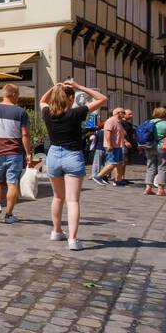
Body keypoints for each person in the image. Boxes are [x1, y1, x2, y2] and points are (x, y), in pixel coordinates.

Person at [40, 80, 107, 251]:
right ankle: (73, 239)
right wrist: (79, 87)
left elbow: (42, 100)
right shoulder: (76, 113)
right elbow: (102, 98)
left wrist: (55, 87)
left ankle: (56, 231)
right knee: (72, 200)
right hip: (72, 155)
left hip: (53, 155)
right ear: (70, 98)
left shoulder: (48, 113)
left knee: (57, 197)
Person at [0, 82, 32, 223]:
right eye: (18, 94)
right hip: (15, 152)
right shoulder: (21, 112)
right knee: (12, 182)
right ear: (14, 94)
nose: (19, 97)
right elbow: (25, 135)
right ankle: (9, 215)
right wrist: (28, 153)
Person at [92, 107, 129, 186]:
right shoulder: (111, 121)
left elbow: (123, 133)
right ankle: (98, 176)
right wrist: (109, 144)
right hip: (113, 146)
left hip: (119, 145)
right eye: (123, 112)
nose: (124, 114)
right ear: (118, 113)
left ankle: (118, 181)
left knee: (119, 163)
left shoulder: (118, 122)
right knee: (113, 163)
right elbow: (107, 133)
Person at [142, 107, 166, 196]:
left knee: (150, 166)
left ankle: (148, 188)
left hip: (149, 146)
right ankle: (160, 189)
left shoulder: (148, 122)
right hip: (162, 146)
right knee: (162, 166)